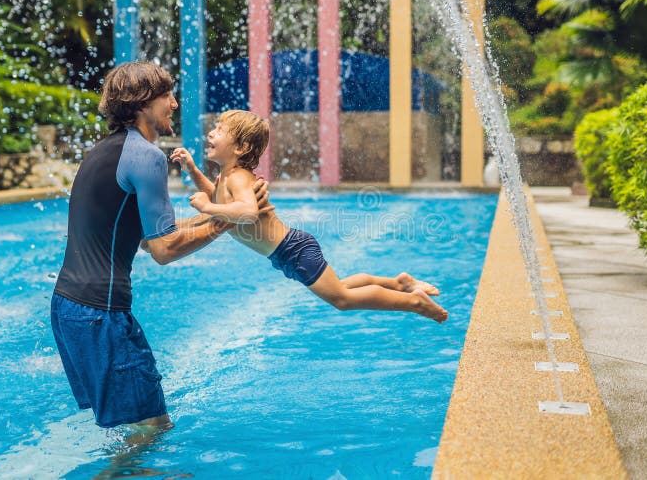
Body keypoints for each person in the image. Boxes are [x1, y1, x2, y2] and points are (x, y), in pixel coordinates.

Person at [50, 63, 272, 430]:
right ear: (142, 104)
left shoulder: (105, 151)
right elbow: (165, 249)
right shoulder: (147, 156)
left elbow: (144, 235)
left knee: (139, 429)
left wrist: (224, 214)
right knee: (151, 430)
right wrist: (229, 220)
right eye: (166, 96)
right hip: (99, 314)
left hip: (70, 309)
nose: (173, 104)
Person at [170, 110, 449, 323]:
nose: (211, 133)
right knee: (340, 287)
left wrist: (207, 208)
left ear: (241, 148)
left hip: (292, 249)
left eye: (220, 130)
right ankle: (399, 283)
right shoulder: (227, 176)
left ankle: (413, 302)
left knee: (342, 298)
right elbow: (220, 197)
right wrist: (193, 170)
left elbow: (246, 211)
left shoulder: (240, 177)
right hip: (284, 253)